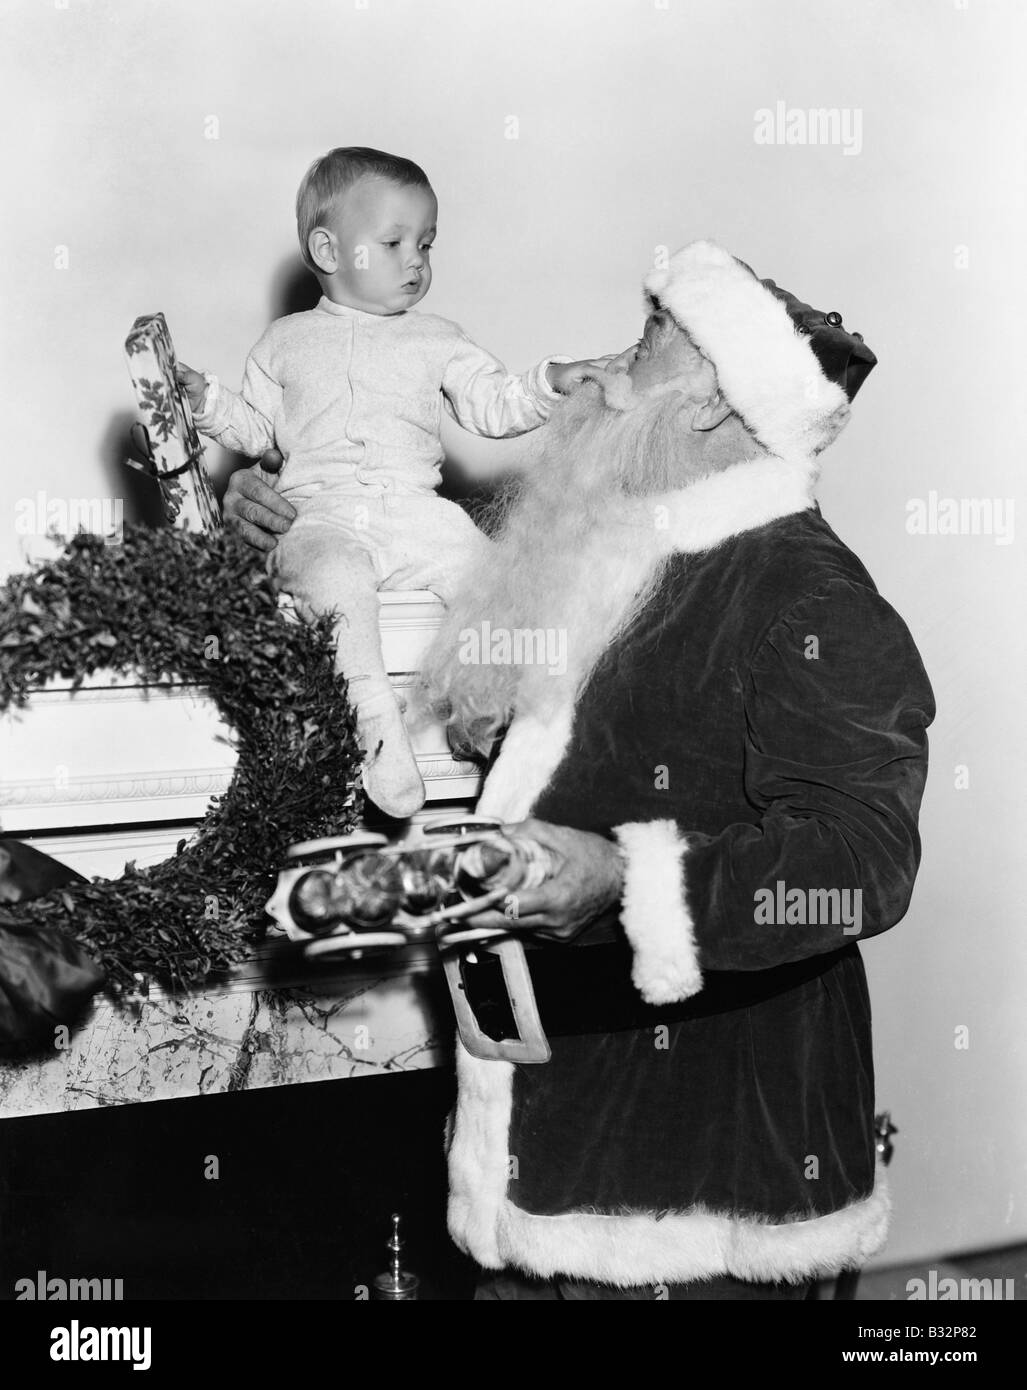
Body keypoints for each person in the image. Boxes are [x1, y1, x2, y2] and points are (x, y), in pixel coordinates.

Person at [226, 240, 935, 1299]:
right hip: (541, 1134)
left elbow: (863, 861)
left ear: (707, 405)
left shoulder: (807, 595)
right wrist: (293, 514)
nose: (604, 370)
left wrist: (621, 877)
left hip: (700, 1175)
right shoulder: (611, 552)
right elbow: (514, 736)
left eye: (645, 344)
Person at [177, 147, 604, 818]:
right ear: (328, 249)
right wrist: (203, 401)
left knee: (488, 575)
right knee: (332, 579)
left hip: (416, 512)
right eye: (395, 242)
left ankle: (500, 725)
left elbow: (495, 405)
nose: (417, 260)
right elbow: (256, 432)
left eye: (426, 244)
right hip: (323, 514)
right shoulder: (284, 342)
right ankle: (379, 732)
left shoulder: (438, 337)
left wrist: (550, 380)